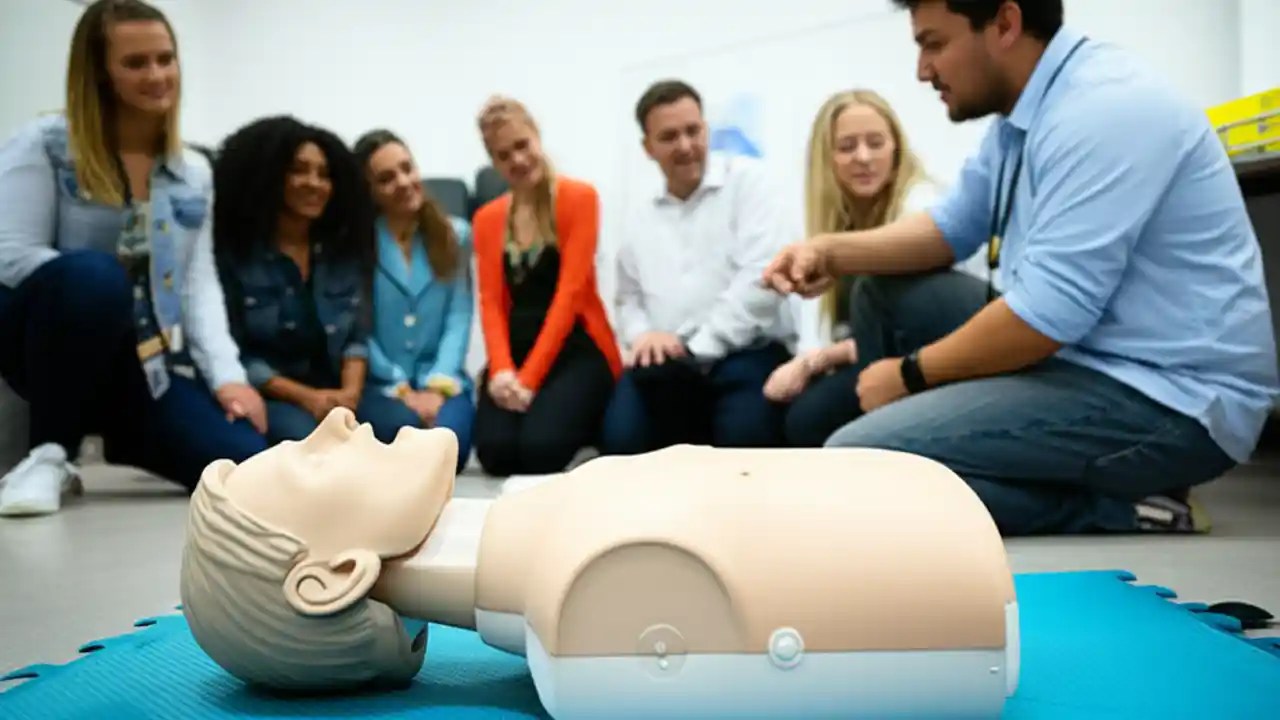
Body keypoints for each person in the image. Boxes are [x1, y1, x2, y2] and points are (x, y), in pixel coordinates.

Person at [762, 0, 1280, 535]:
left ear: (1005, 24)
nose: (922, 70)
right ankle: (959, 451)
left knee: (858, 457)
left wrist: (907, 376)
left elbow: (1047, 317)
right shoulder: (1024, 117)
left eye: (933, 43)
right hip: (1087, 359)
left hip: (1175, 403)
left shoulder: (1105, 109)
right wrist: (829, 251)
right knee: (878, 293)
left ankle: (1125, 508)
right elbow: (951, 227)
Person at [0, 0, 268, 515]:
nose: (158, 74)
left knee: (244, 463)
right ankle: (49, 454)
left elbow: (198, 285)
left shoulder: (193, 172)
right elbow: (12, 255)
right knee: (95, 279)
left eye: (166, 58)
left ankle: (127, 433)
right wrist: (109, 305)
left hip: (141, 363)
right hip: (45, 341)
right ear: (100, 74)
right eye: (136, 63)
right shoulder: (43, 145)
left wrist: (228, 376)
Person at [600, 80, 794, 455]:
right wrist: (642, 336)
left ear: (706, 128)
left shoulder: (751, 184)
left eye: (694, 131)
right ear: (648, 147)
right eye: (669, 136)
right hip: (665, 360)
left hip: (746, 352)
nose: (686, 146)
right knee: (620, 445)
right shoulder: (637, 217)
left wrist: (698, 347)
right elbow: (628, 297)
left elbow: (761, 280)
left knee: (744, 448)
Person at [768, 89, 951, 447]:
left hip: (921, 357)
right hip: (860, 357)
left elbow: (908, 328)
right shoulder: (825, 221)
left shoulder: (923, 205)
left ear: (895, 148)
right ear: (827, 158)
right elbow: (814, 328)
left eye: (876, 142)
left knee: (809, 419)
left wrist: (814, 363)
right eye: (847, 146)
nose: (863, 157)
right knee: (767, 414)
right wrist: (806, 362)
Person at [213, 115, 405, 445]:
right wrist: (308, 399)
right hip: (278, 394)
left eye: (324, 174)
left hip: (339, 390)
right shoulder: (238, 256)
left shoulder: (343, 249)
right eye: (299, 170)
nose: (314, 183)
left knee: (405, 431)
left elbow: (356, 337)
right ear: (271, 177)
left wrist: (349, 395)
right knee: (309, 445)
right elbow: (240, 353)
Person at [470, 96, 622, 476]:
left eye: (523, 146)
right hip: (517, 351)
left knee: (541, 450)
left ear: (537, 137)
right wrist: (503, 372)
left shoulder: (579, 198)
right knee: (495, 453)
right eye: (505, 155)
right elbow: (490, 301)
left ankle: (586, 424)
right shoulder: (487, 219)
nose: (518, 160)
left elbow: (569, 295)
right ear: (494, 162)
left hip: (575, 346)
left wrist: (530, 379)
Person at [353, 129, 476, 472]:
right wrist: (402, 389)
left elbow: (459, 316)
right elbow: (359, 327)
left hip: (442, 378)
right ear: (371, 192)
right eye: (386, 178)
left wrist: (438, 383)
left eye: (408, 168)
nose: (404, 181)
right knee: (397, 434)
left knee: (452, 446)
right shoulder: (357, 245)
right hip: (382, 383)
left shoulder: (457, 235)